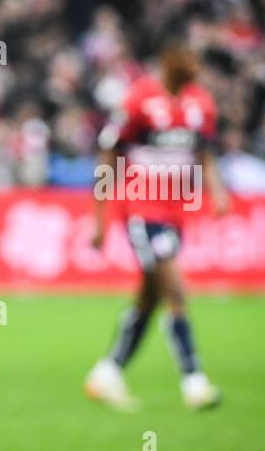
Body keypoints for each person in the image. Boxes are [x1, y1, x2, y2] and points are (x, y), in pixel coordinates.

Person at [85, 44, 229, 411]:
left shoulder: (201, 104)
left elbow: (206, 155)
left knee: (149, 296)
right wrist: (99, 215)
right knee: (174, 289)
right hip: (140, 208)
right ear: (170, 62)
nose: (196, 67)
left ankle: (107, 372)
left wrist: (217, 192)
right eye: (190, 59)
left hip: (176, 212)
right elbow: (109, 153)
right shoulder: (139, 99)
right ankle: (194, 381)